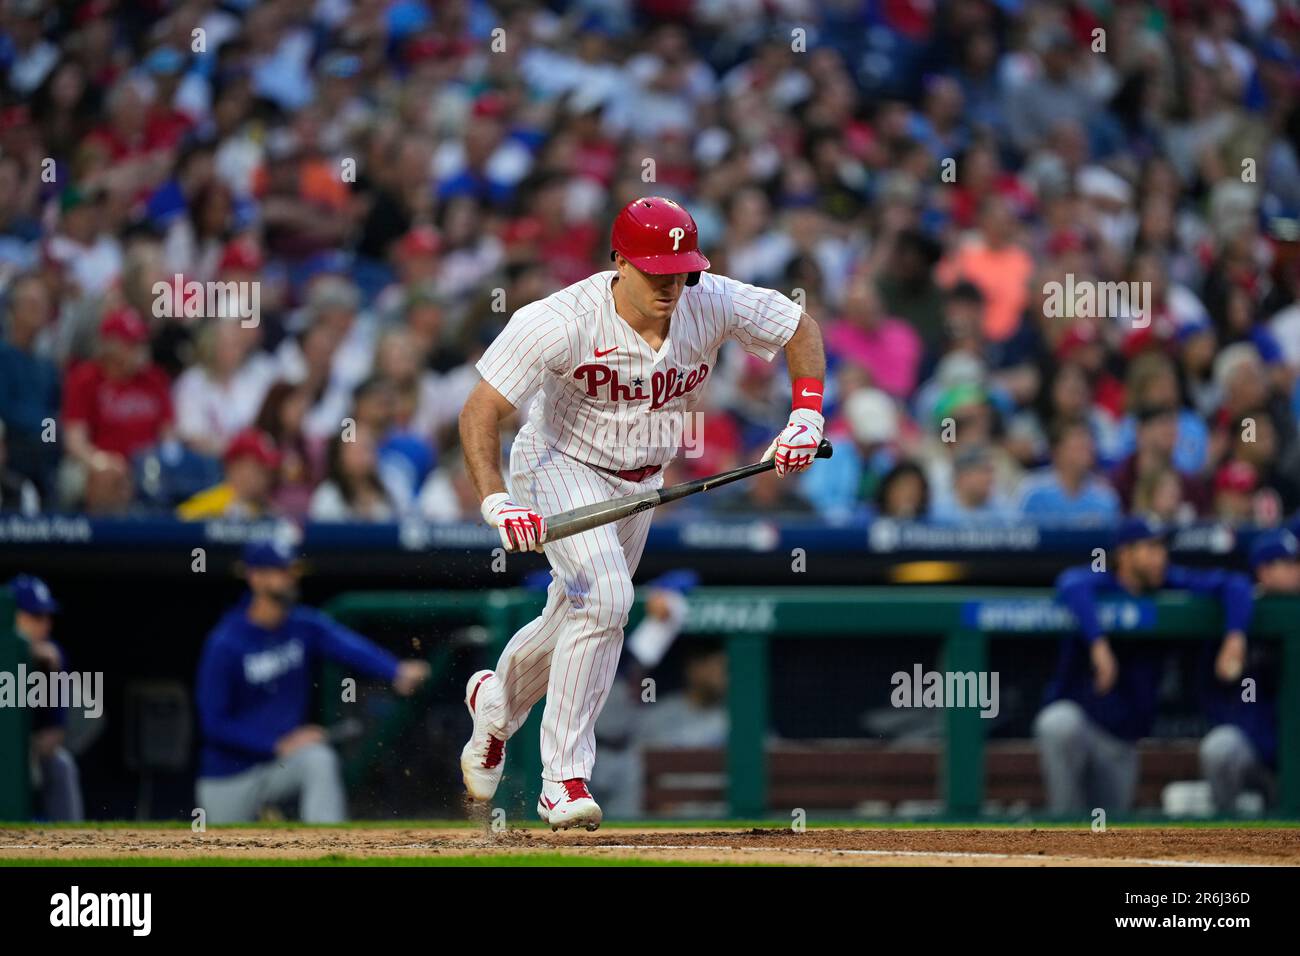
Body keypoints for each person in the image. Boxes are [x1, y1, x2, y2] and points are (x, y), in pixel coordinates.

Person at [457, 196, 826, 830]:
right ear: (618, 262)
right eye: (655, 268)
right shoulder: (560, 319)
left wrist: (806, 414)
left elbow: (799, 327)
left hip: (641, 482)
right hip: (557, 463)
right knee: (605, 599)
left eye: (680, 268)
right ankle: (563, 780)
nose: (670, 282)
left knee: (575, 613)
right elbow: (480, 411)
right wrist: (498, 500)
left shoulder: (707, 297)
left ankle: (496, 703)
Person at [194, 540, 430, 823]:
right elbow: (213, 723)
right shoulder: (226, 642)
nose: (290, 577)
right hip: (229, 775)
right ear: (255, 577)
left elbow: (348, 646)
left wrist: (395, 671)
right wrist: (275, 744)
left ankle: (325, 850)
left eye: (291, 570)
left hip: (279, 766)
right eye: (281, 571)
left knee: (318, 759)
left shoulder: (302, 625)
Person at [1034, 517, 1253, 816]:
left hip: (1123, 741)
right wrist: (1098, 643)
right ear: (1124, 554)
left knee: (1111, 833)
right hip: (1083, 728)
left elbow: (1236, 585)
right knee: (1058, 723)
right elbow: (1070, 583)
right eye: (1150, 548)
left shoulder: (1168, 580)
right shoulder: (1103, 579)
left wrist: (1235, 636)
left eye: (1162, 549)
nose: (1159, 557)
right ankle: (1062, 828)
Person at [1198, 529, 1298, 815]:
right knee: (1220, 748)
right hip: (1256, 747)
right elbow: (1210, 688)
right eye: (1288, 564)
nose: (1297, 571)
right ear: (1264, 571)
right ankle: (1228, 835)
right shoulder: (1241, 607)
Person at [8, 575, 83, 820]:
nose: (46, 624)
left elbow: (56, 729)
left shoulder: (53, 656)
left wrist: (25, 755)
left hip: (29, 752)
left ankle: (71, 847)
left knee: (61, 763)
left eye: (47, 616)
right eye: (35, 616)